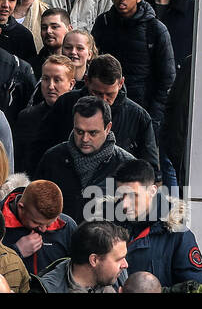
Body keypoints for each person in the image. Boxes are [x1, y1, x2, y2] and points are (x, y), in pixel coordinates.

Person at [111, 159, 202, 293]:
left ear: (153, 191)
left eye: (133, 196)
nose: (125, 204)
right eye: (121, 196)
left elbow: (198, 287)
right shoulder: (107, 227)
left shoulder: (177, 235)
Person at [34, 95, 138, 223]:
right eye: (79, 131)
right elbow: (36, 205)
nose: (85, 139)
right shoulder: (53, 159)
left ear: (108, 128)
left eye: (93, 133)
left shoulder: (127, 166)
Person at [92, 0, 176, 124]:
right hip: (103, 108)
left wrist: (153, 120)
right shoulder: (103, 23)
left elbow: (167, 80)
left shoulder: (155, 29)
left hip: (141, 112)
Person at [1, 178, 77, 277]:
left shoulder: (67, 226)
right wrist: (17, 252)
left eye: (49, 224)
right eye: (37, 223)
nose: (43, 229)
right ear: (21, 207)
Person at [39, 220, 128, 293]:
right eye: (119, 259)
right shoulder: (47, 290)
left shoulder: (113, 278)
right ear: (94, 260)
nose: (125, 265)